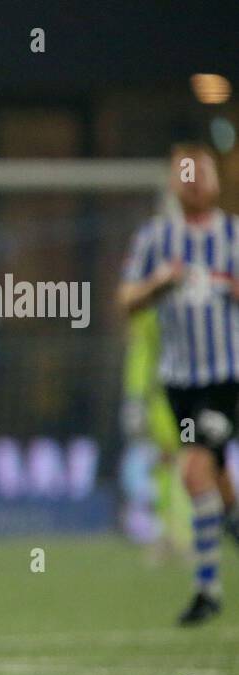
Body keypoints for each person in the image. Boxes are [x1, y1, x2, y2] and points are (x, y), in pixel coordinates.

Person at [118, 142, 239, 624]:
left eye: (200, 172)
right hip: (179, 384)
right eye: (183, 173)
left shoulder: (232, 236)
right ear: (173, 182)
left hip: (226, 378)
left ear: (215, 181)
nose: (192, 180)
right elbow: (126, 298)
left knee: (193, 470)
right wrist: (159, 284)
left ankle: (207, 589)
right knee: (217, 477)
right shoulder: (154, 240)